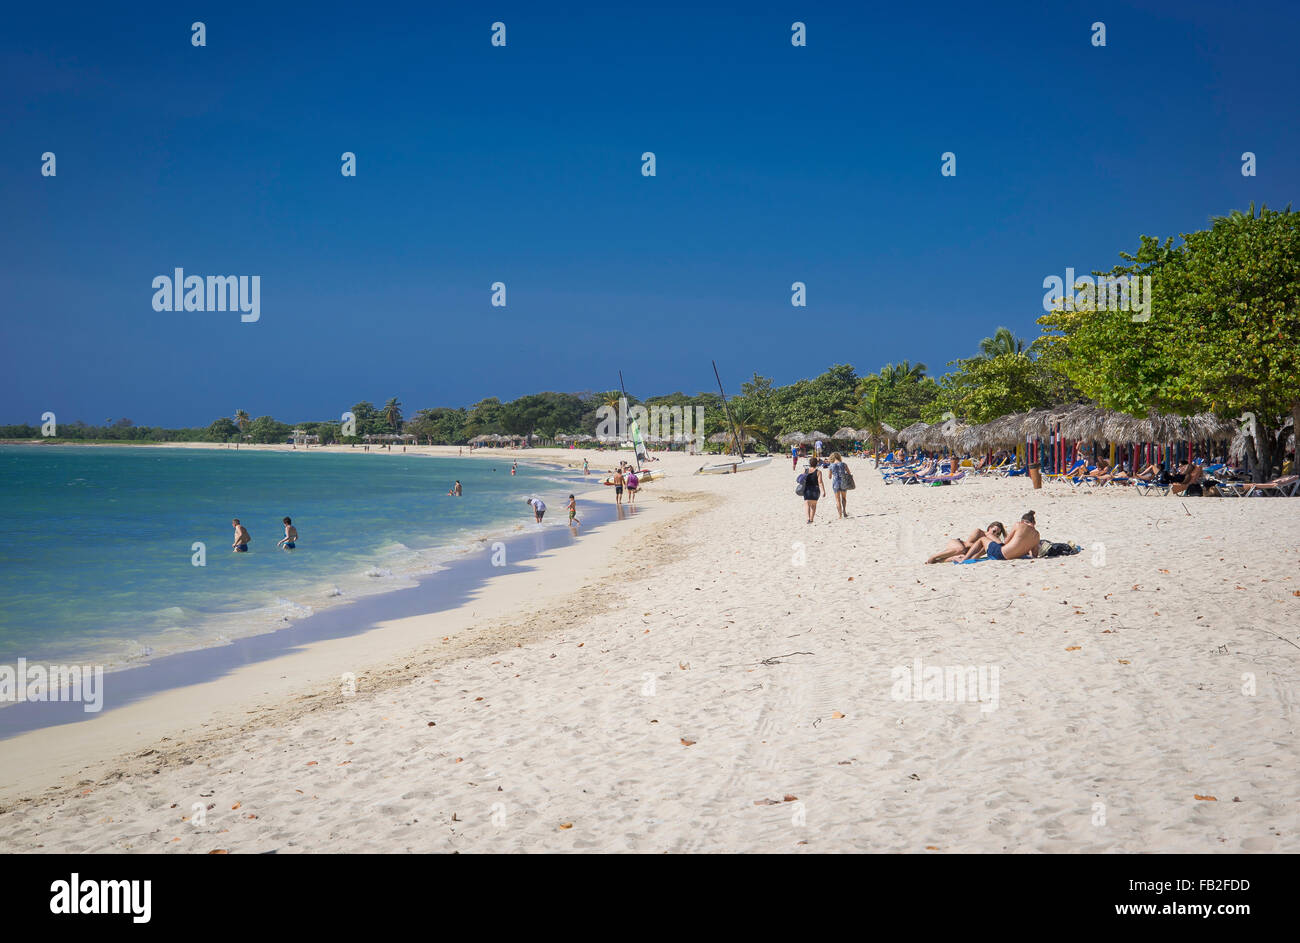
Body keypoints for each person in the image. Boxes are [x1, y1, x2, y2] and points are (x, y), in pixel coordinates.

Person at [961, 511, 1039, 561]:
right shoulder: (1037, 535)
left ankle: (964, 559)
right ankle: (972, 557)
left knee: (982, 539)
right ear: (1034, 523)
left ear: (1022, 521)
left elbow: (1006, 541)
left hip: (1001, 554)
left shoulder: (1018, 525)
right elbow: (1034, 555)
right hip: (1014, 557)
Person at [925, 522, 1005, 564]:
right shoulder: (979, 532)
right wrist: (981, 543)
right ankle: (933, 557)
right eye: (994, 531)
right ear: (989, 528)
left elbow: (976, 556)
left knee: (961, 556)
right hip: (958, 543)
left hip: (964, 553)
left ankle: (938, 561)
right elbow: (968, 543)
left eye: (998, 534)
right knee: (961, 549)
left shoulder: (989, 545)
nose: (995, 534)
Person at [799, 457, 826, 523]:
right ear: (817, 464)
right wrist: (823, 491)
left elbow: (801, 480)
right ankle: (811, 519)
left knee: (807, 504)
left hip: (807, 489)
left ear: (809, 463)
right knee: (814, 505)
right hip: (815, 490)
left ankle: (808, 518)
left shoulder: (805, 470)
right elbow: (820, 482)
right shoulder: (818, 472)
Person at [827, 451, 851, 518]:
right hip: (843, 482)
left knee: (837, 500)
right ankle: (845, 512)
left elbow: (829, 477)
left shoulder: (831, 466)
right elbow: (849, 473)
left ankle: (840, 515)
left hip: (836, 482)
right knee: (844, 498)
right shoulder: (844, 464)